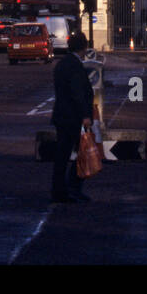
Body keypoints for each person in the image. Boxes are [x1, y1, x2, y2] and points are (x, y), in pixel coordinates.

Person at [50, 33, 94, 204]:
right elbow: (78, 93)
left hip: (61, 115)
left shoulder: (62, 64)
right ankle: (72, 188)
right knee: (82, 153)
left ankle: (60, 189)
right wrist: (85, 115)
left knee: (62, 156)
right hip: (73, 117)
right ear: (83, 48)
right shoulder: (75, 66)